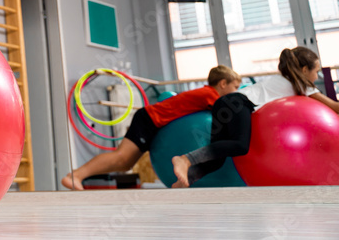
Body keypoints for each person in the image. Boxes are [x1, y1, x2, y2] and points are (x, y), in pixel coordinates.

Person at [171, 46, 339, 188]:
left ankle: (185, 179)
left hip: (225, 102)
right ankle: (185, 159)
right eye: (316, 71)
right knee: (240, 146)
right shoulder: (302, 84)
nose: (317, 76)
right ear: (304, 70)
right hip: (238, 103)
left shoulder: (284, 79)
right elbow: (334, 107)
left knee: (217, 160)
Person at [61, 65, 241, 191]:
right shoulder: (210, 94)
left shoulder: (205, 94)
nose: (236, 92)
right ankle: (75, 176)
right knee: (122, 158)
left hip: (152, 123)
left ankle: (77, 175)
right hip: (149, 119)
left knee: (125, 164)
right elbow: (228, 112)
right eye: (235, 87)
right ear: (223, 84)